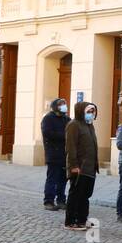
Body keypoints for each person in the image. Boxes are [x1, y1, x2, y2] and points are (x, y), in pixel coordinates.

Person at [63, 101, 99, 231]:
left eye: (93, 112)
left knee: (85, 195)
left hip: (90, 167)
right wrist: (73, 165)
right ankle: (71, 221)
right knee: (76, 194)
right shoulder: (74, 125)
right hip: (79, 167)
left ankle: (82, 219)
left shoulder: (89, 125)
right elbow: (70, 147)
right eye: (89, 112)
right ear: (81, 112)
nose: (92, 114)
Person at [40, 97, 70, 210]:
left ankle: (61, 200)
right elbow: (48, 133)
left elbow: (71, 131)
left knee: (63, 179)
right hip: (53, 154)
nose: (64, 106)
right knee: (52, 178)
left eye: (65, 104)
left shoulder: (66, 119)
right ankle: (48, 201)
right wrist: (64, 135)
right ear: (55, 107)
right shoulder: (48, 118)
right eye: (61, 104)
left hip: (65, 154)